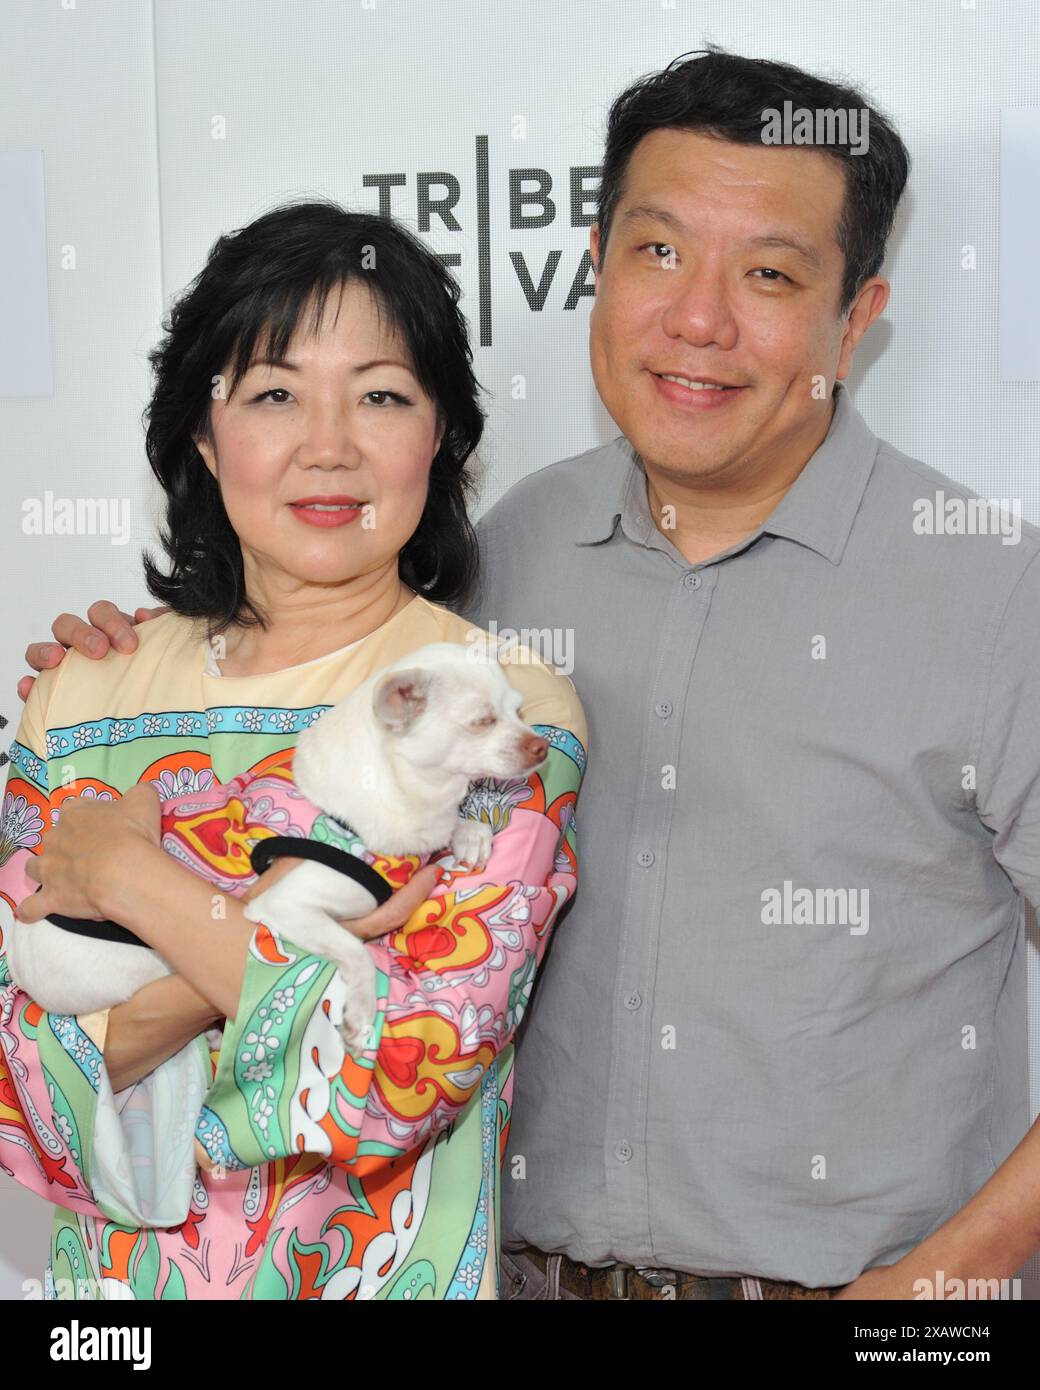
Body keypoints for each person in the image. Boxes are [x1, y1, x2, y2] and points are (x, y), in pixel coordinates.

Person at [19, 43, 1040, 1303]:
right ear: (595, 258)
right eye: (657, 252)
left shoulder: (995, 598)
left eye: (768, 273)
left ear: (856, 315)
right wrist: (126, 658)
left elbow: (406, 1051)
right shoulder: (485, 583)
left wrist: (938, 1291)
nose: (699, 317)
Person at [0, 200, 587, 1300]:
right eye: (273, 393)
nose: (329, 445)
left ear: (440, 437)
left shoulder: (505, 710)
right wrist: (281, 958)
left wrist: (134, 886)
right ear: (201, 434)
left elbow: (401, 1073)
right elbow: (9, 1088)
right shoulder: (79, 695)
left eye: (379, 395)